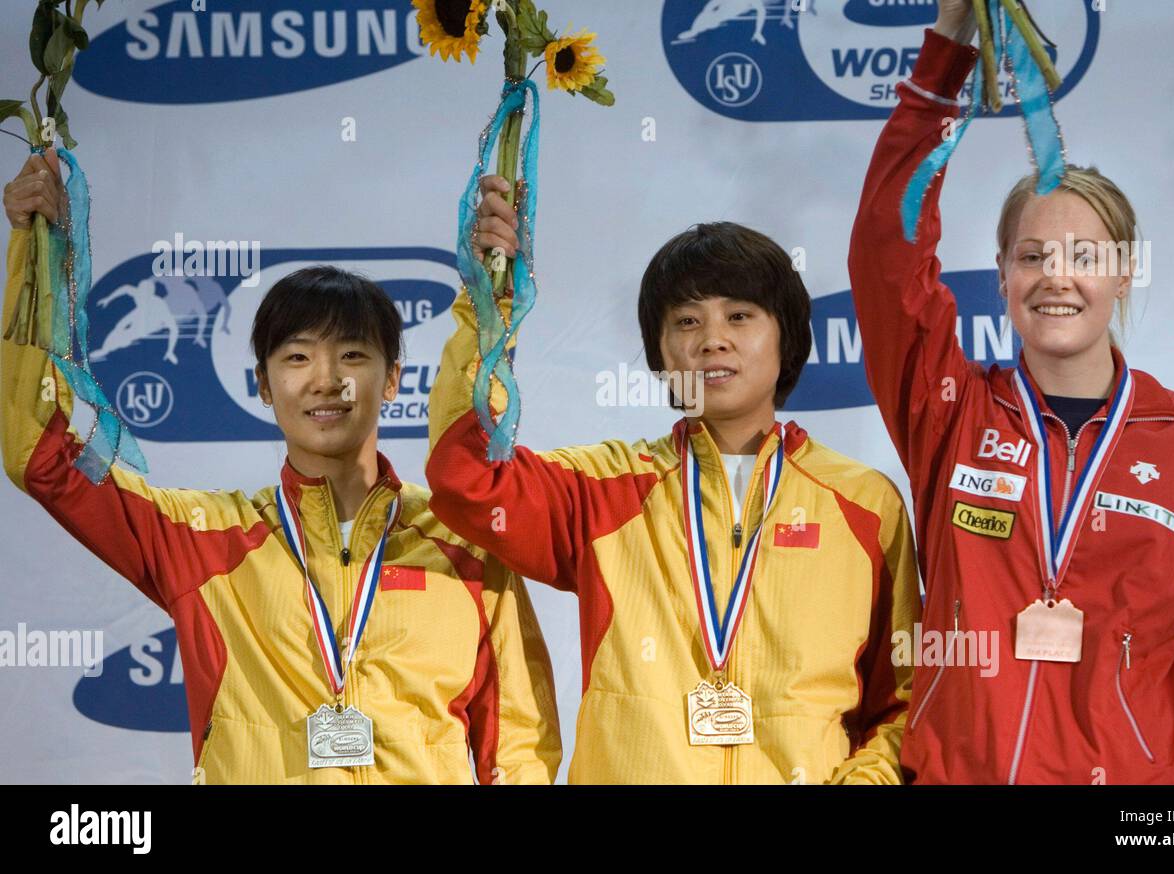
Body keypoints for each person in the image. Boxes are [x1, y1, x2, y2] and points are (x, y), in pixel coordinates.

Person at [1, 151, 561, 784]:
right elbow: (41, 454)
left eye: (352, 354)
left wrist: (491, 293)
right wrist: (37, 252)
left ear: (395, 381)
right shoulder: (199, 539)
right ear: (263, 385)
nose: (325, 381)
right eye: (296, 358)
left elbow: (518, 747)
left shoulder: (466, 548)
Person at [848, 0, 1174, 783]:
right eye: (1032, 254)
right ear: (1005, 276)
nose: (1056, 275)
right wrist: (947, 49)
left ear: (1123, 274)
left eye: (1085, 254)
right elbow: (887, 250)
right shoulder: (950, 410)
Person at [425, 176, 921, 784]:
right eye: (685, 322)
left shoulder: (864, 504)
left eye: (740, 316)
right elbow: (465, 477)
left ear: (786, 335)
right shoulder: (602, 491)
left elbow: (904, 701)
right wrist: (487, 305)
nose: (712, 340)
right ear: (660, 354)